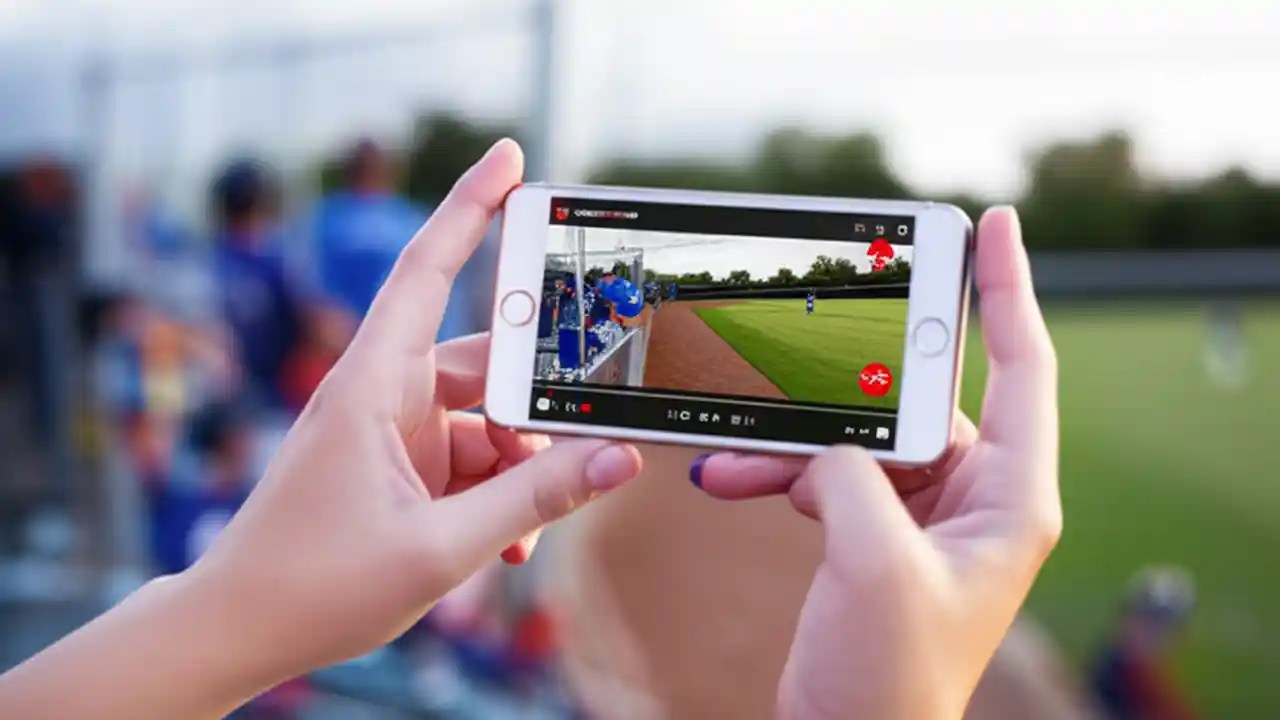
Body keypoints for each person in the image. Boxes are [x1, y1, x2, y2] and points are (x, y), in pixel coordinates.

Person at [0, 140, 1061, 719]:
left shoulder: (281, 240)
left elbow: (266, 326)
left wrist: (226, 618)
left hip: (297, 411)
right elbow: (322, 318)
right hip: (364, 392)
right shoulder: (317, 237)